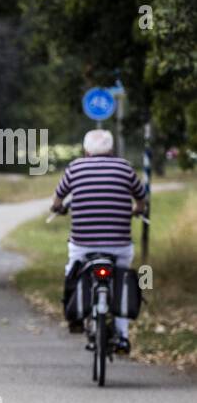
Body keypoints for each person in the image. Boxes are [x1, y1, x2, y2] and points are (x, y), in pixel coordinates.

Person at [50, 129, 146, 353]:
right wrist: (137, 210)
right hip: (119, 244)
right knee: (123, 277)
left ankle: (73, 316)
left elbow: (58, 198)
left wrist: (58, 208)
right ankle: (122, 336)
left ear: (86, 150)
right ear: (111, 149)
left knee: (72, 270)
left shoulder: (75, 168)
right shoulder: (125, 167)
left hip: (83, 244)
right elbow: (141, 197)